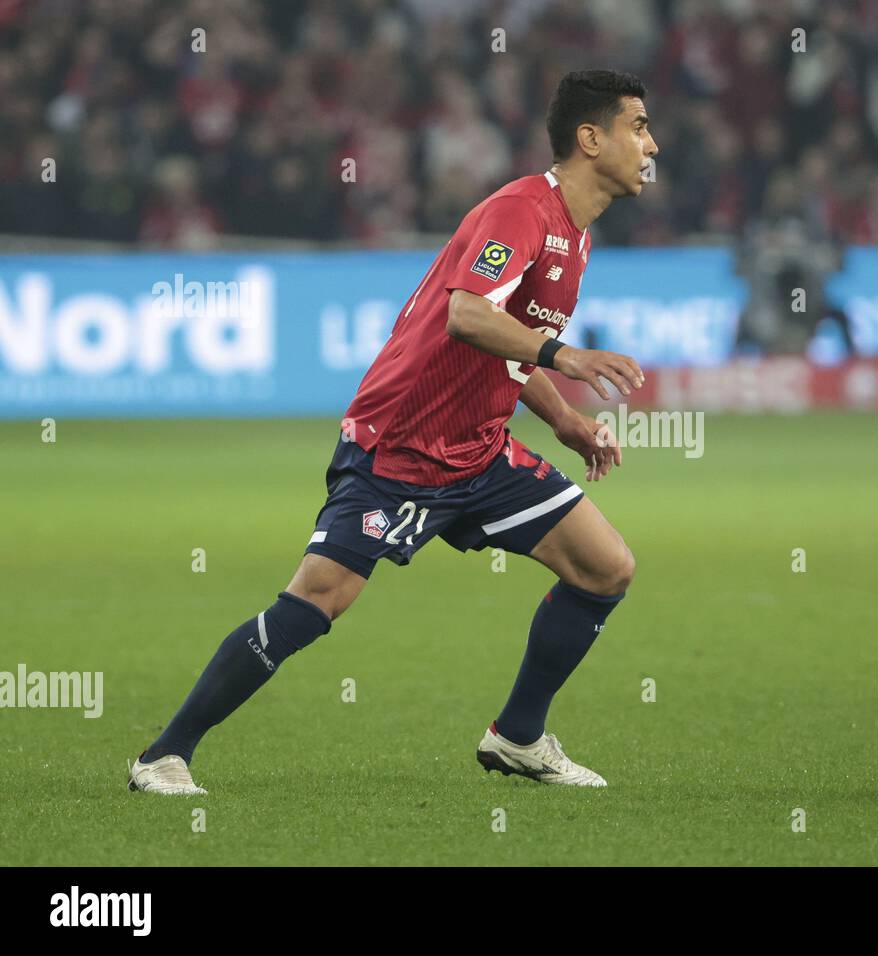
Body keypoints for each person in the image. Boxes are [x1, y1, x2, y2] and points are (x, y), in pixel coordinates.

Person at [128, 70, 659, 793]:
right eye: (637, 126)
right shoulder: (521, 211)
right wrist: (567, 357)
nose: (650, 143)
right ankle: (165, 753)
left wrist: (565, 420)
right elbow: (467, 314)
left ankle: (519, 737)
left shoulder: (577, 235)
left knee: (606, 568)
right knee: (316, 603)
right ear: (591, 139)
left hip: (478, 448)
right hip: (402, 443)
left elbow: (508, 337)